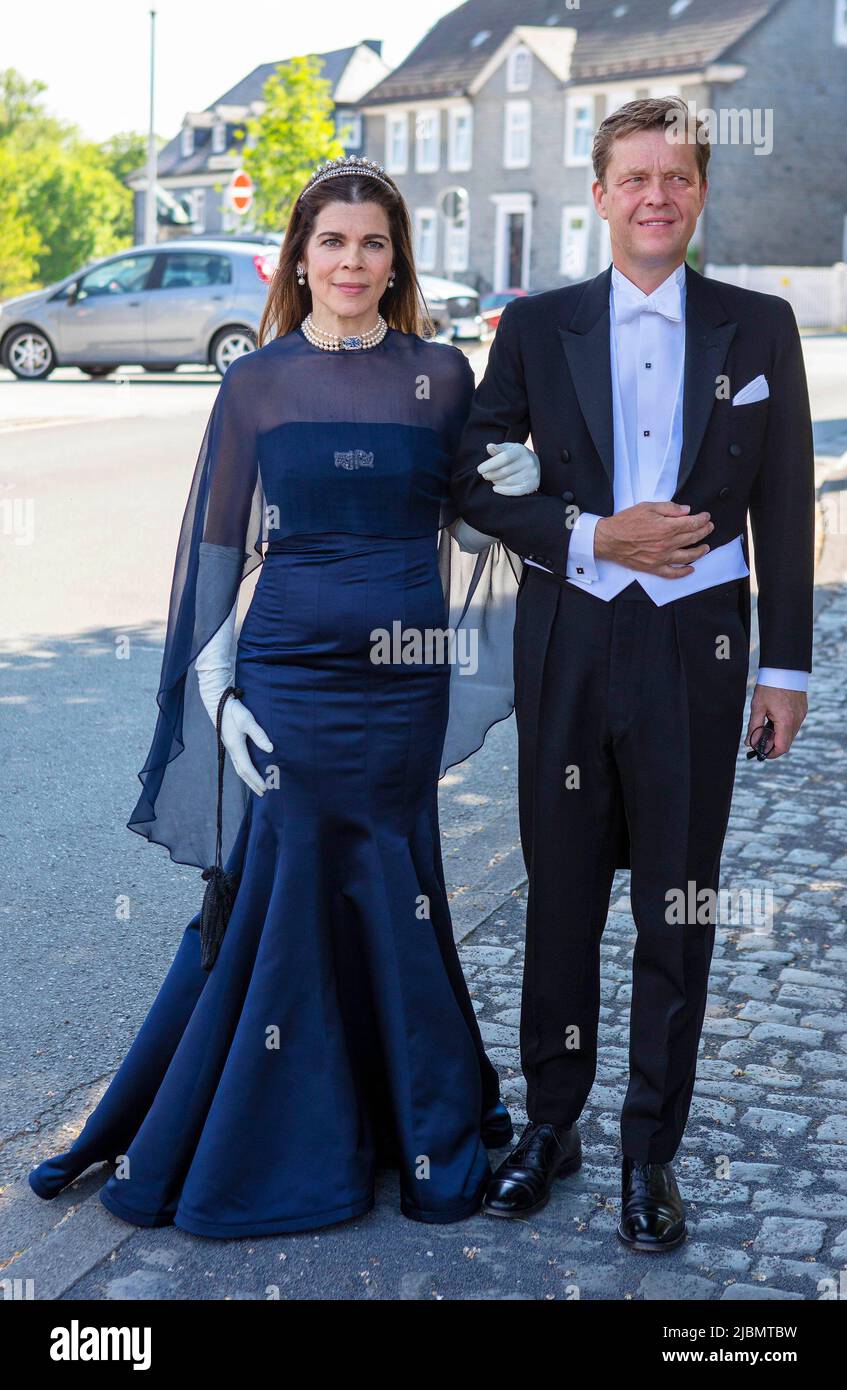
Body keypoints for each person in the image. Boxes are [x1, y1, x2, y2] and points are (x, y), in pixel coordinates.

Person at [28, 155, 539, 1236]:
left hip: (402, 682)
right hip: (286, 678)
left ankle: (413, 1110)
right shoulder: (255, 382)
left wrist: (530, 489)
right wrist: (217, 693)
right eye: (331, 242)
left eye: (371, 243)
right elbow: (217, 547)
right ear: (298, 260)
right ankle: (282, 1133)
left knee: (395, 878)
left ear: (395, 260)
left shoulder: (442, 374)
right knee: (295, 870)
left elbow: (471, 515)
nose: (351, 261)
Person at [450, 98, 814, 1250]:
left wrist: (786, 668)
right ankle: (549, 1130)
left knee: (677, 908)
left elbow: (787, 503)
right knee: (558, 905)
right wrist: (593, 534)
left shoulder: (759, 327)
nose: (656, 194)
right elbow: (471, 478)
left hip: (695, 656)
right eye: (634, 176)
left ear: (699, 192)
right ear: (599, 193)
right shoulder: (533, 323)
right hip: (569, 644)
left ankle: (649, 1154)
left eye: (677, 176)